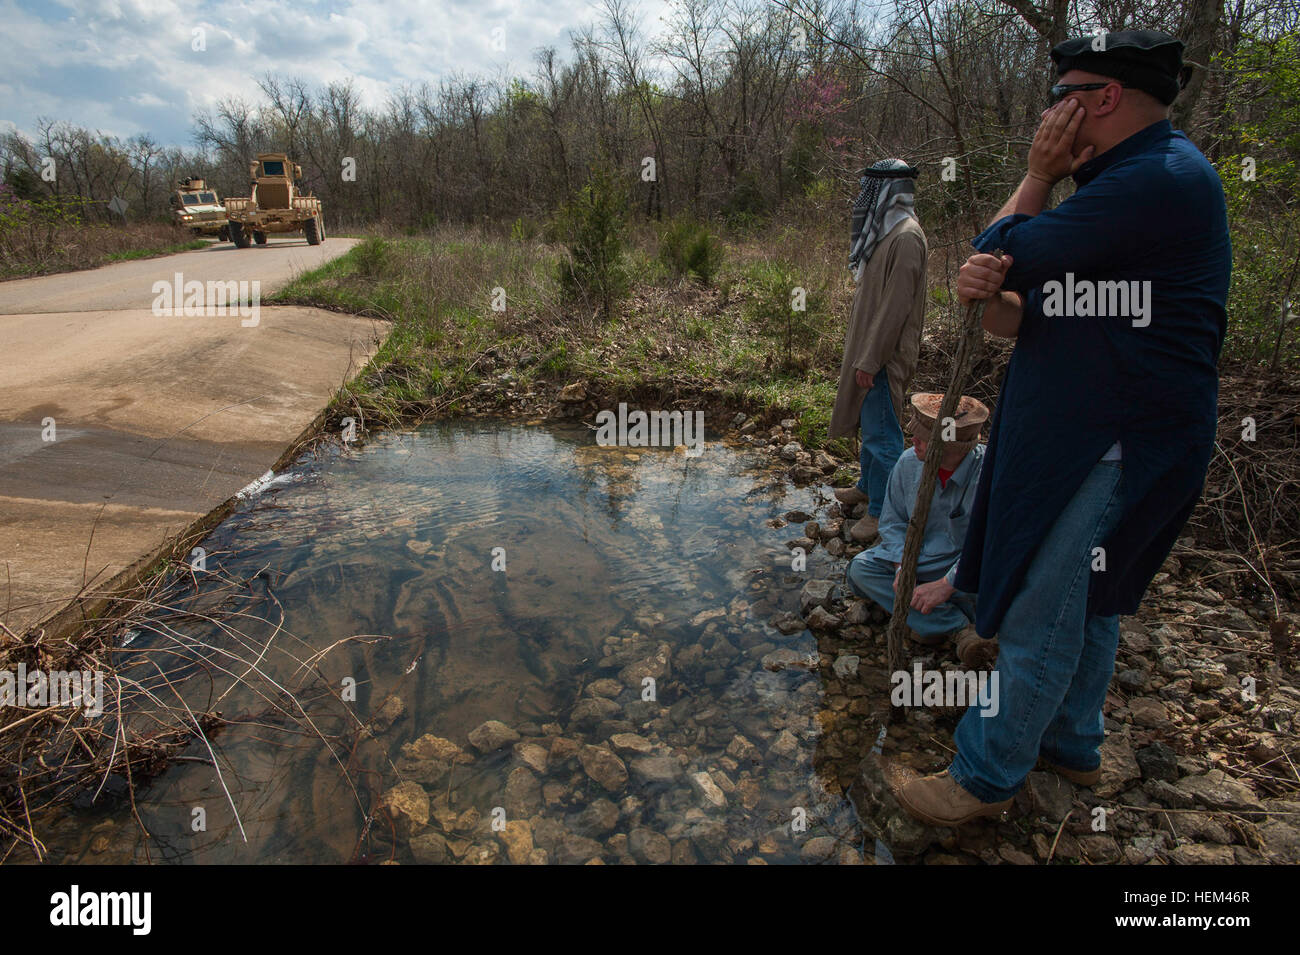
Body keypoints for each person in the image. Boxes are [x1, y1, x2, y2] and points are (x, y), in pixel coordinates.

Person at [895, 30, 1232, 827]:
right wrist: (995, 291)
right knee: (1093, 599)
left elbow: (999, 241)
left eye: (1061, 96)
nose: (1049, 115)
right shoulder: (1120, 188)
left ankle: (982, 779)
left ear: (1102, 97)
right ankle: (1075, 744)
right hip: (1099, 436)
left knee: (1049, 606)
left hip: (1118, 445)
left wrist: (1037, 177)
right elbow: (1017, 315)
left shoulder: (1161, 179)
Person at [846, 393, 991, 661]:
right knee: (860, 571)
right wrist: (903, 566)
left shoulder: (989, 475)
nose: (913, 441)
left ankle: (937, 618)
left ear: (952, 447)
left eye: (923, 439)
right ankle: (958, 627)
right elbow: (892, 523)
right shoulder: (908, 462)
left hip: (967, 569)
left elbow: (993, 546)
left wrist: (948, 584)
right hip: (920, 562)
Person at [830, 159, 929, 544]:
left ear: (889, 191)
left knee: (883, 435)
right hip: (871, 353)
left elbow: (895, 309)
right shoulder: (890, 233)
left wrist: (871, 360)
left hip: (884, 358)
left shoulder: (906, 238)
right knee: (871, 428)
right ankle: (868, 487)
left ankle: (883, 514)